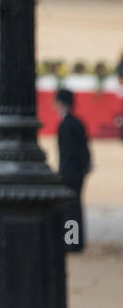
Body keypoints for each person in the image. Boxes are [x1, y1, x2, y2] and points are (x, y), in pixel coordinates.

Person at [56, 88, 91, 252]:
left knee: (70, 208)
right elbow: (84, 149)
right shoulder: (78, 122)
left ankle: (72, 241)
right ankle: (76, 241)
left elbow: (67, 154)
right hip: (78, 172)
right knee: (75, 206)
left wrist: (62, 173)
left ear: (60, 103)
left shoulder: (65, 125)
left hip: (69, 173)